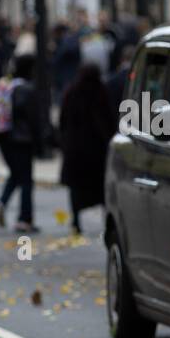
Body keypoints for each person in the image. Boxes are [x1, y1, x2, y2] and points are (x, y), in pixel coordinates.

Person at [57, 63, 115, 235]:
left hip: (76, 150)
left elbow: (63, 120)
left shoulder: (71, 93)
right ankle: (107, 220)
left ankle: (76, 221)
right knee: (100, 187)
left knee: (76, 189)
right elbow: (109, 119)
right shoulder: (101, 93)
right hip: (97, 150)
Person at [0, 53, 40, 233]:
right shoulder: (27, 89)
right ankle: (24, 219)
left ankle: (1, 202)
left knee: (16, 174)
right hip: (22, 139)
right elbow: (33, 119)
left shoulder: (7, 86)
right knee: (26, 179)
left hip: (5, 137)